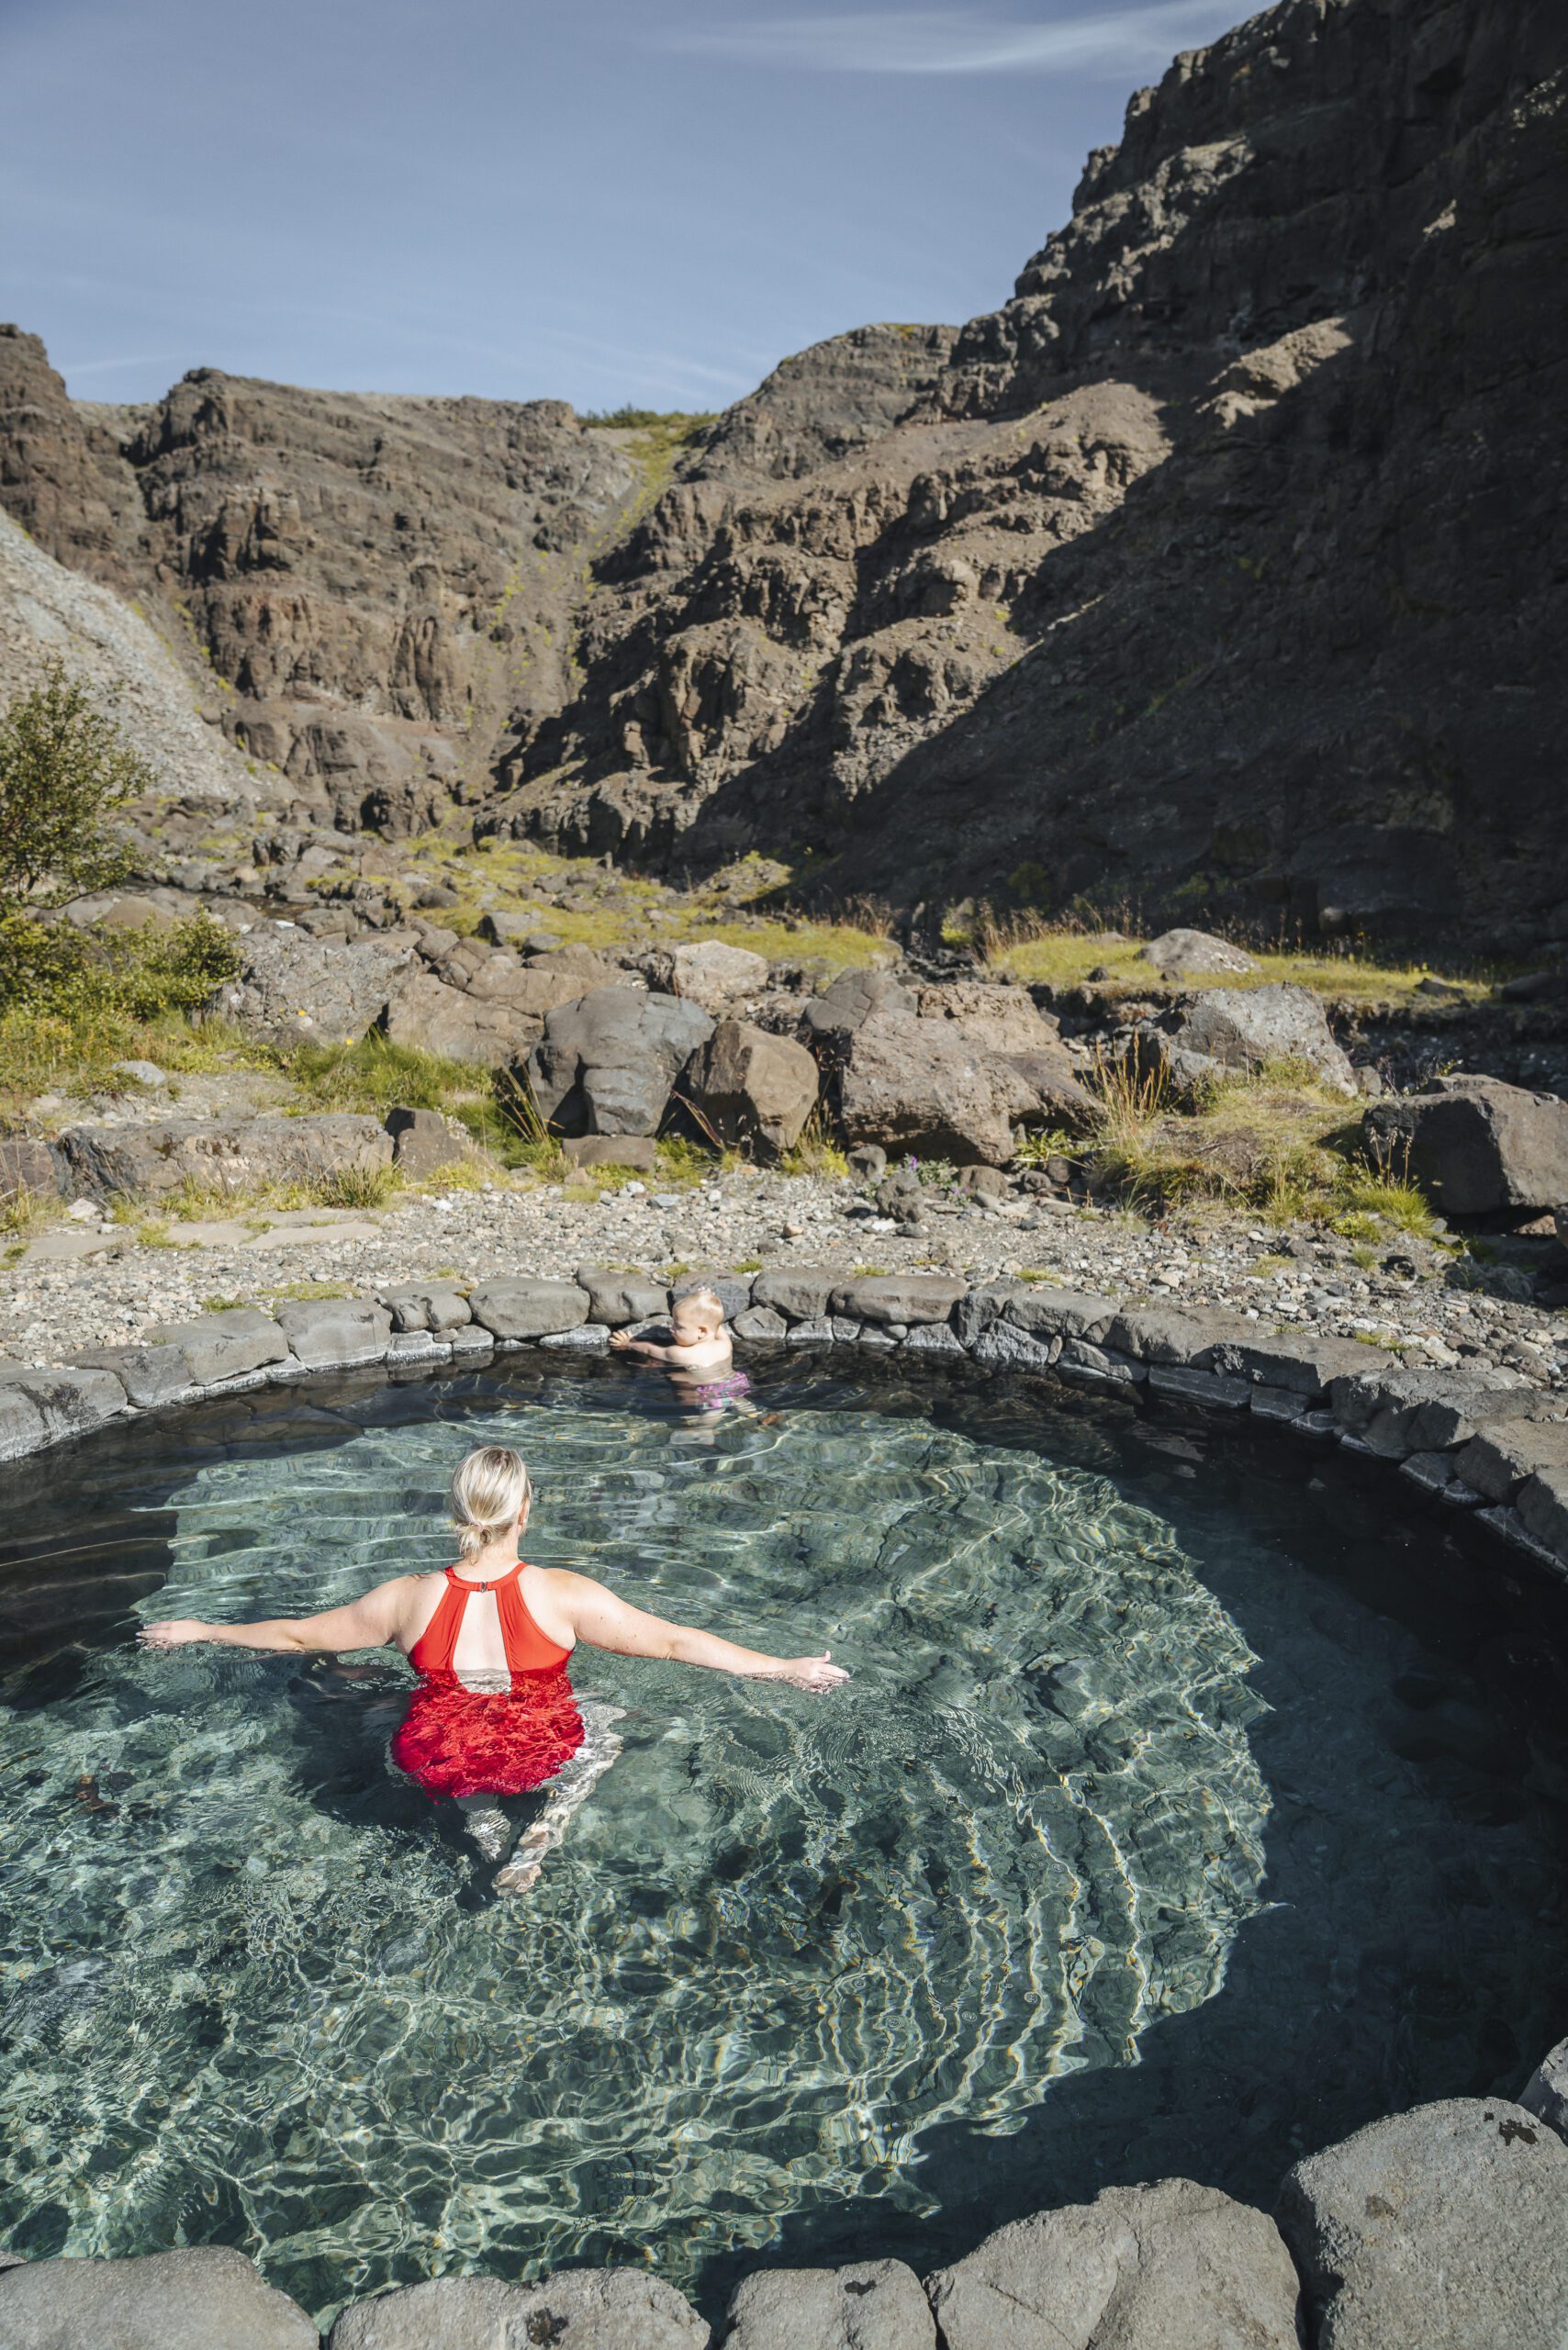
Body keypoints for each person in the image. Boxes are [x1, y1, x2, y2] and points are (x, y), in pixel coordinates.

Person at [140, 1444, 846, 1891]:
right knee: (605, 1725)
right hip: (538, 1748)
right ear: (525, 1511)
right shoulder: (562, 1593)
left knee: (408, 1722)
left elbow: (296, 1636)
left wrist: (203, 1628)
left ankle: (478, 1827)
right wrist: (780, 1668)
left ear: (458, 1511)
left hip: (437, 1754)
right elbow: (672, 1642)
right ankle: (543, 1833)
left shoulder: (405, 1598)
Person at [610, 1284, 755, 1424]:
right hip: (734, 1383)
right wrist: (709, 1305)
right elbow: (715, 1324)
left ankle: (705, 1431)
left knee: (711, 1414)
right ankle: (754, 1414)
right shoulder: (724, 1343)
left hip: (712, 1392)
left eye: (679, 1326)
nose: (671, 1328)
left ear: (701, 1332)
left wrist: (629, 1343)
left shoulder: (682, 1354)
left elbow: (650, 1349)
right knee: (736, 1399)